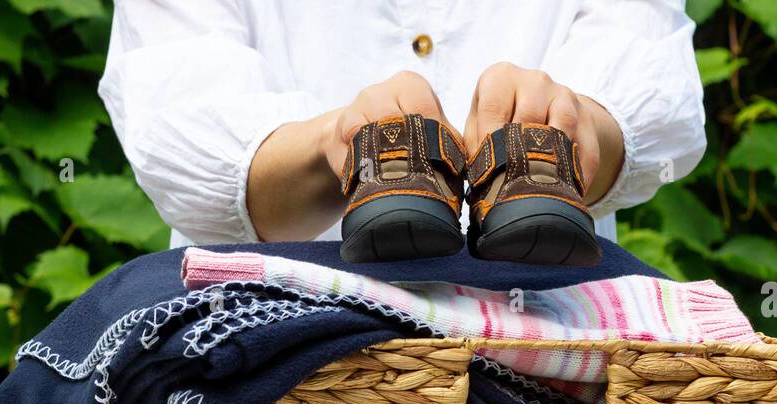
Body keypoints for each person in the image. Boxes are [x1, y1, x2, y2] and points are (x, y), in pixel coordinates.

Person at [99, 0, 705, 249]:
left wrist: (571, 128)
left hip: (545, 380)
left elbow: (649, 88)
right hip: (262, 396)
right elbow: (177, 127)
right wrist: (334, 147)